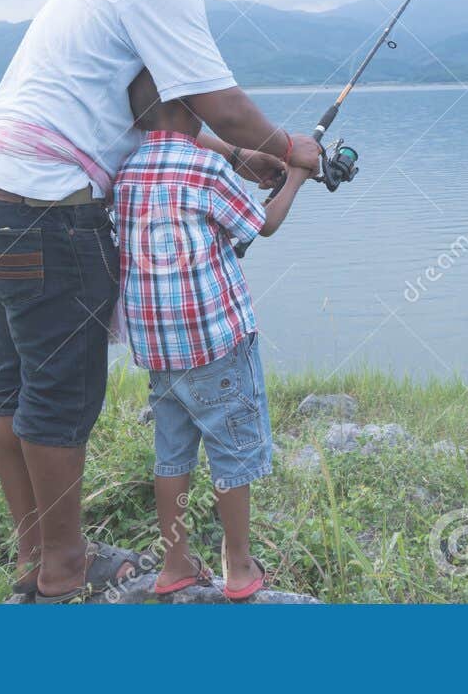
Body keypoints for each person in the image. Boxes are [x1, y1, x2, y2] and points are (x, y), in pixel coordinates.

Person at [0, 0, 323, 603]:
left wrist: (236, 156)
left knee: (14, 384)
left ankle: (39, 555)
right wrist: (287, 148)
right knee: (59, 399)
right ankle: (62, 569)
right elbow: (219, 100)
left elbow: (155, 118)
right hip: (48, 211)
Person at [115, 69, 311, 601]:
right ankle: (239, 567)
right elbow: (262, 224)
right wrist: (297, 171)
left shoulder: (126, 172)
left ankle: (174, 563)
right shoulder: (205, 167)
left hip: (159, 351)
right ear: (193, 110)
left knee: (172, 455)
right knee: (232, 454)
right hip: (217, 344)